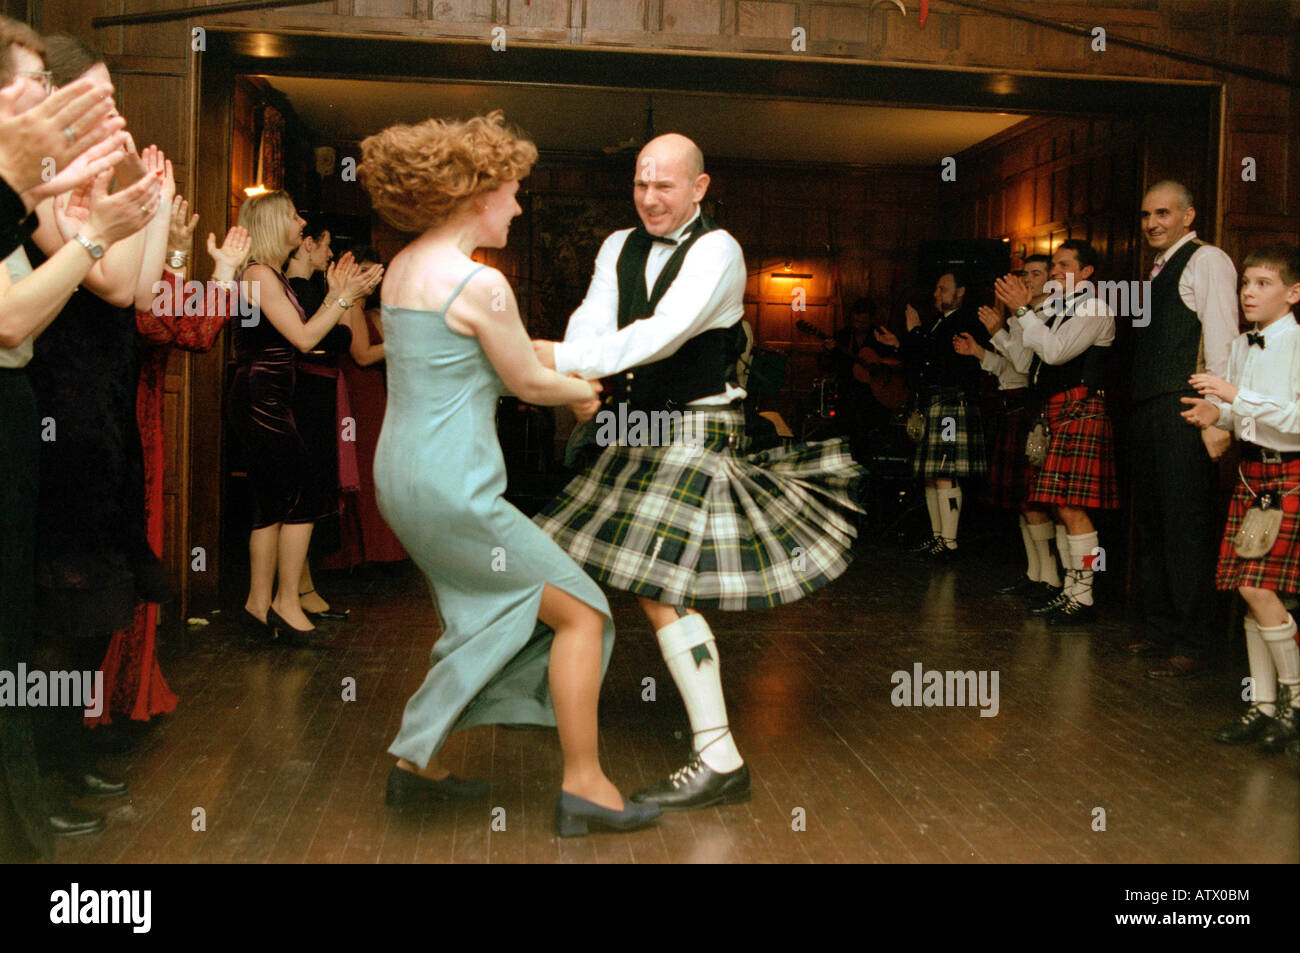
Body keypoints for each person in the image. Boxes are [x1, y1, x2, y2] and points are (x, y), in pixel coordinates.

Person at [531, 132, 865, 811]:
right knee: (554, 558)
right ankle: (539, 692)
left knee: (661, 587)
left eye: (665, 186)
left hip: (695, 426)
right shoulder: (617, 245)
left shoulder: (719, 249)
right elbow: (595, 318)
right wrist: (575, 360)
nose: (650, 198)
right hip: (632, 424)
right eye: (640, 184)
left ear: (699, 188)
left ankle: (719, 754)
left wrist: (558, 361)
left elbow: (662, 332)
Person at [358, 112, 658, 837]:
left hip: (403, 479)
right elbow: (523, 378)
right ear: (477, 193)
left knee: (488, 612)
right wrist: (583, 393)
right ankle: (586, 786)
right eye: (514, 192)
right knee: (582, 612)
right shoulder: (478, 284)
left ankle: (417, 765)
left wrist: (596, 354)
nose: (519, 206)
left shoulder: (407, 266)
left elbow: (501, 352)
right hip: (453, 488)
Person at [0, 17, 161, 849]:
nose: (108, 113)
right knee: (46, 624)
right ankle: (43, 779)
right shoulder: (35, 198)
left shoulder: (63, 191)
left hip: (93, 411)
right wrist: (114, 213)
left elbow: (133, 286)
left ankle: (60, 763)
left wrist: (150, 202)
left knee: (90, 603)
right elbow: (103, 288)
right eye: (92, 98)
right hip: (53, 405)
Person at [92, 180, 249, 729]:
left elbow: (173, 315)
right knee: (122, 561)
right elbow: (182, 329)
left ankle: (122, 691)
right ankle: (106, 701)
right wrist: (226, 271)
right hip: (122, 422)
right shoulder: (103, 268)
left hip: (140, 417)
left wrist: (180, 250)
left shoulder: (123, 265)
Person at [226, 190, 379, 645]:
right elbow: (305, 337)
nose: (300, 223)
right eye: (293, 215)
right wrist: (342, 296)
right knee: (303, 496)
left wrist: (338, 296)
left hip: (267, 393)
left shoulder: (267, 274)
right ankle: (285, 602)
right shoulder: (258, 275)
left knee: (274, 503)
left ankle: (258, 606)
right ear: (274, 223)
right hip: (262, 396)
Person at [1181, 243, 1300, 752]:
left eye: (1263, 284)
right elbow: (1249, 414)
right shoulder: (1244, 346)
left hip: (1290, 475)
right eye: (1246, 283)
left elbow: (1295, 420)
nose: (1249, 292)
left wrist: (1232, 398)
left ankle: (1295, 705)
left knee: (1259, 591)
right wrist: (1220, 416)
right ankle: (1264, 708)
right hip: (1254, 475)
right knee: (1251, 599)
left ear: (1294, 293)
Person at [1130, 180, 1239, 677]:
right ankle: (1162, 631)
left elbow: (1222, 339)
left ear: (1188, 216)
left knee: (1185, 528)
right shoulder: (1155, 270)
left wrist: (1219, 417)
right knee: (1153, 524)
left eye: (1164, 214)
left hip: (1186, 410)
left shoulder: (1206, 259)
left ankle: (1193, 642)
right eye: (1147, 214)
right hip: (1150, 410)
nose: (1153, 223)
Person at [982, 240, 1119, 624]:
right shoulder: (1058, 310)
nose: (1055, 271)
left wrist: (1023, 311)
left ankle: (1084, 595)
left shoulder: (1094, 308)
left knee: (1073, 508)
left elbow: (1057, 354)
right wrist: (1014, 319)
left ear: (1087, 272)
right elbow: (1027, 361)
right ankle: (1068, 590)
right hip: (1054, 411)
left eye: (1063, 265)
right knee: (1060, 508)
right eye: (1054, 265)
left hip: (1079, 410)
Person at [959, 254, 1060, 604]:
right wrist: (982, 347)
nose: (1028, 280)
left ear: (1051, 279)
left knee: (1036, 503)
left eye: (1036, 274)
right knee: (1023, 503)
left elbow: (1024, 363)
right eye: (1025, 274)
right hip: (1014, 408)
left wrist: (998, 331)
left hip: (1035, 410)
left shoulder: (1048, 315)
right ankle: (1035, 575)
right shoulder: (1024, 315)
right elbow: (1009, 367)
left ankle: (1050, 580)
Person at [875, 270, 988, 561]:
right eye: (936, 289)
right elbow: (925, 356)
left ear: (960, 291)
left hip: (952, 403)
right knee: (932, 474)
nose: (936, 295)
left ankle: (949, 543)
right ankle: (938, 537)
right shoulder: (940, 323)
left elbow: (942, 358)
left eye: (943, 289)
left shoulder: (966, 321)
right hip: (935, 403)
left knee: (945, 471)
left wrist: (913, 333)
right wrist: (901, 344)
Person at [284, 219, 356, 618]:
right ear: (308, 244)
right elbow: (326, 339)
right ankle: (291, 590)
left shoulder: (313, 289)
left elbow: (339, 340)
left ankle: (304, 584)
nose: (330, 254)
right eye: (326, 245)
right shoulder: (291, 289)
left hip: (322, 391)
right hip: (302, 394)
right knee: (305, 485)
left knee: (319, 484)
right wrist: (341, 300)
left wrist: (340, 298)